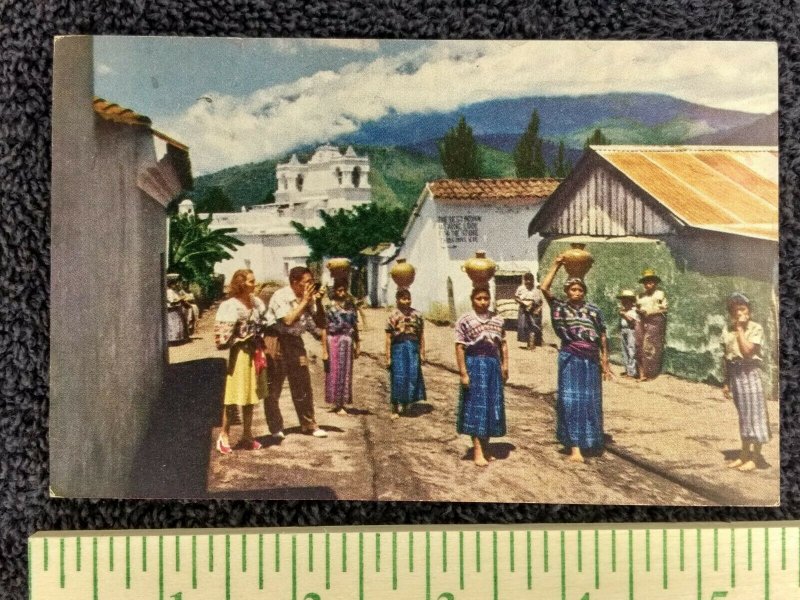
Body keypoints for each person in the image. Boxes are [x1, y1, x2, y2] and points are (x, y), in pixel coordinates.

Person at [540, 254, 612, 463]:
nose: (577, 293)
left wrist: (605, 362)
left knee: (589, 401)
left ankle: (589, 442)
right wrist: (556, 265)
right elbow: (544, 288)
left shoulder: (594, 311)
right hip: (570, 358)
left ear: (584, 292)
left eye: (580, 290)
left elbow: (602, 336)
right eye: (573, 289)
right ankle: (575, 448)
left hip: (591, 361)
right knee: (571, 401)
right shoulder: (560, 308)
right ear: (567, 291)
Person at [263, 266, 328, 438]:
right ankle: (276, 427)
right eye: (307, 282)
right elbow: (288, 320)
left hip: (295, 342)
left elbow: (319, 325)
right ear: (294, 282)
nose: (310, 285)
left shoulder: (309, 299)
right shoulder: (281, 296)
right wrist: (305, 301)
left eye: (312, 281)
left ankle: (308, 424)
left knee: (302, 383)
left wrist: (318, 302)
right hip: (276, 340)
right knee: (274, 386)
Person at [213, 269, 267, 454]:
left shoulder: (256, 302)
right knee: (234, 395)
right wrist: (242, 337)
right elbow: (222, 337)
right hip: (240, 353)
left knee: (250, 394)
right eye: (251, 281)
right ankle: (224, 435)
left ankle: (247, 435)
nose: (254, 284)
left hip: (255, 351)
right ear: (241, 284)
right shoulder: (231, 305)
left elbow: (264, 321)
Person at [455, 286, 509, 467]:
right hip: (475, 365)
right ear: (472, 300)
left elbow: (503, 345)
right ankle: (477, 451)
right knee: (476, 407)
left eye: (486, 298)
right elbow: (460, 347)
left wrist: (505, 366)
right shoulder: (465, 320)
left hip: (493, 366)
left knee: (491, 406)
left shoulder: (498, 319)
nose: (483, 302)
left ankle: (486, 447)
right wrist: (463, 373)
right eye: (479, 298)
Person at [721, 292, 770, 472]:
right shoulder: (727, 329)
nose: (739, 313)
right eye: (735, 310)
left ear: (749, 310)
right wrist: (726, 382)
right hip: (736, 376)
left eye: (742, 309)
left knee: (755, 416)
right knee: (744, 416)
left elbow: (748, 352)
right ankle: (743, 455)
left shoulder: (755, 328)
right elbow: (726, 357)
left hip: (750, 373)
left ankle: (755, 458)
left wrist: (741, 330)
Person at [321, 278, 360, 415]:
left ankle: (342, 403)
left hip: (347, 340)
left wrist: (358, 344)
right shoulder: (329, 307)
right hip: (333, 340)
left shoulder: (351, 307)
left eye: (344, 290)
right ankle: (336, 403)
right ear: (335, 291)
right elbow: (324, 328)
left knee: (345, 371)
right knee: (333, 371)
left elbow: (355, 326)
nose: (342, 293)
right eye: (339, 290)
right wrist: (324, 349)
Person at [385, 288, 426, 418]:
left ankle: (406, 404)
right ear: (397, 300)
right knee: (398, 377)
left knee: (412, 376)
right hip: (398, 349)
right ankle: (394, 408)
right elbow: (388, 338)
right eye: (404, 298)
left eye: (408, 298)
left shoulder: (417, 315)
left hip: (413, 349)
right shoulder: (393, 315)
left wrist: (422, 352)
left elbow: (421, 335)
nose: (407, 301)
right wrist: (388, 357)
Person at [635, 268, 668, 382]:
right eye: (646, 282)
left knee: (648, 347)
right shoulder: (640, 296)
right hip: (641, 321)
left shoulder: (660, 294)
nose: (648, 284)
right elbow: (636, 308)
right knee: (638, 345)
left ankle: (649, 373)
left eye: (651, 281)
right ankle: (641, 373)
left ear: (655, 283)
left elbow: (664, 310)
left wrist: (650, 312)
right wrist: (640, 312)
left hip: (654, 322)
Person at [514, 272, 544, 349]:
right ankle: (528, 343)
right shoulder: (521, 288)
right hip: (523, 308)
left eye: (530, 280)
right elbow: (516, 297)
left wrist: (536, 308)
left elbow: (540, 301)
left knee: (533, 326)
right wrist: (523, 303)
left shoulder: (536, 289)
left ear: (533, 280)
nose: (528, 281)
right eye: (526, 280)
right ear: (524, 280)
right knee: (524, 326)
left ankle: (532, 344)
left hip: (533, 308)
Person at [617, 289, 639, 378]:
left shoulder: (634, 310)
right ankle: (627, 370)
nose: (624, 301)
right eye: (623, 299)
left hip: (631, 330)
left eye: (626, 299)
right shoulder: (624, 310)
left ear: (631, 300)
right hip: (623, 330)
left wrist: (624, 314)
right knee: (624, 351)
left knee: (631, 350)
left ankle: (632, 372)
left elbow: (632, 322)